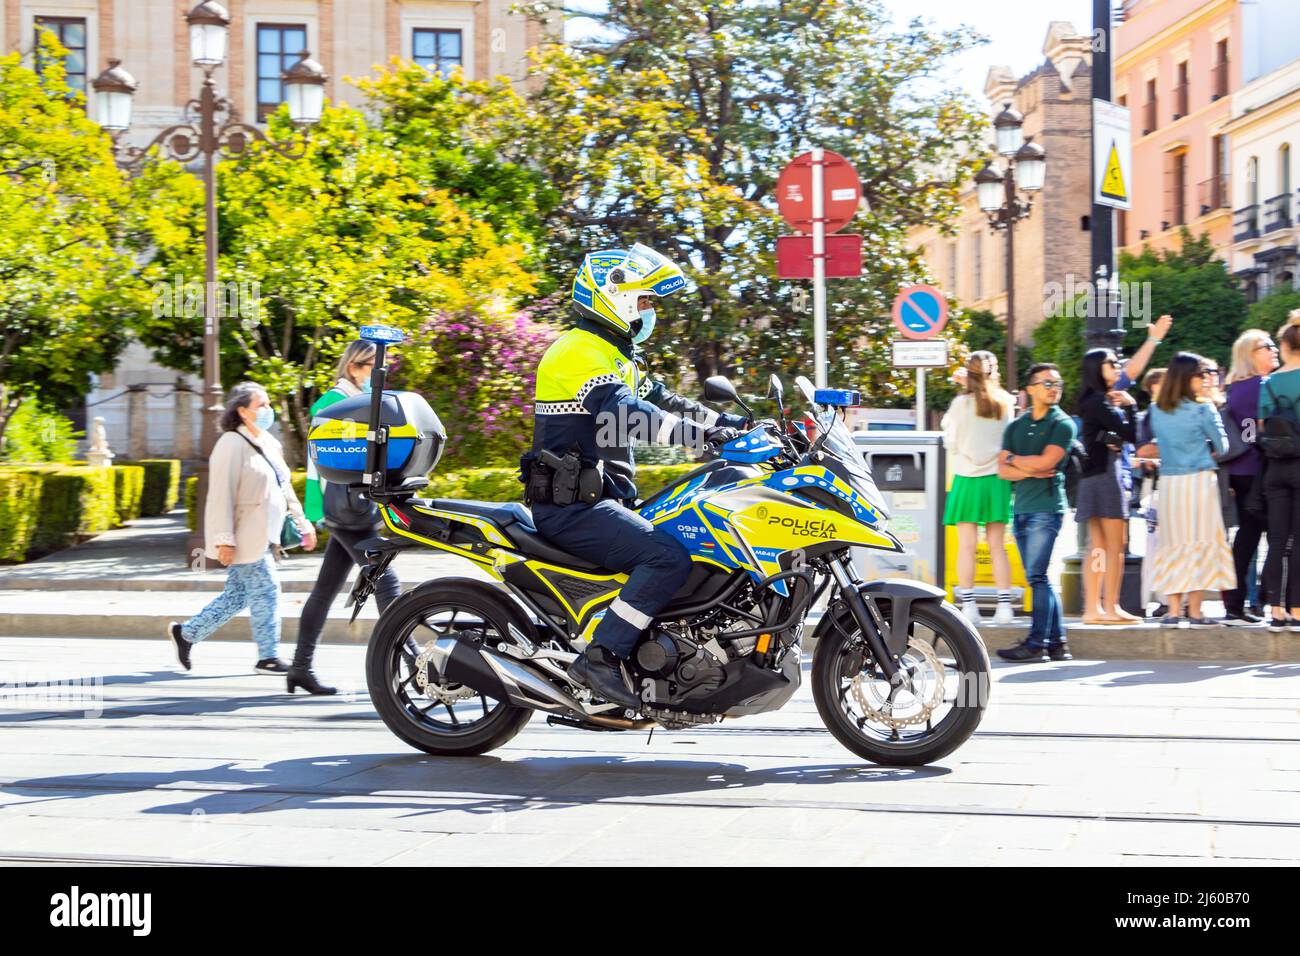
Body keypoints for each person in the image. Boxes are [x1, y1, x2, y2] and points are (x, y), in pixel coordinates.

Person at [522, 244, 748, 709]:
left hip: (605, 503)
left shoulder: (614, 353)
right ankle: (601, 657)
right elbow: (627, 413)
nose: (651, 311)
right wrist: (701, 439)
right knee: (667, 559)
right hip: (573, 510)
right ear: (614, 295)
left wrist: (735, 428)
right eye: (645, 300)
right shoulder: (577, 352)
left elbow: (667, 402)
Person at [168, 383, 316, 672]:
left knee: (237, 596)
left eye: (268, 404)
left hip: (268, 535)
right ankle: (268, 656)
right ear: (242, 411)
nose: (268, 410)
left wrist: (303, 523)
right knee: (268, 589)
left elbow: (284, 488)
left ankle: (186, 634)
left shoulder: (270, 443)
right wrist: (223, 541)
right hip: (246, 536)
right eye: (261, 405)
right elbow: (219, 495)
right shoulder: (230, 443)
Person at [293, 341, 402, 695]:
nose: (379, 372)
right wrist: (313, 511)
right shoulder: (332, 403)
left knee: (324, 590)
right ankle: (411, 661)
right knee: (385, 580)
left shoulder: (364, 401)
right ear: (354, 367)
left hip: (354, 509)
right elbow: (316, 465)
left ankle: (299, 669)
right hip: (345, 511)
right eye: (373, 365)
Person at [996, 363, 1077, 662]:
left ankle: (1036, 643)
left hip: (1047, 508)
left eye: (1057, 383)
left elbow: (1047, 464)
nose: (1054, 388)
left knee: (1038, 576)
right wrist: (1025, 464)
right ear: (1030, 389)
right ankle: (1057, 644)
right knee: (1040, 578)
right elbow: (1002, 472)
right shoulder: (1016, 426)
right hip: (1021, 510)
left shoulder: (1063, 423)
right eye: (1046, 383)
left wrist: (1016, 461)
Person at [1148, 353, 1234, 627]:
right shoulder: (1203, 408)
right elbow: (1224, 447)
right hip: (1199, 480)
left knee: (1174, 542)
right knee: (1201, 541)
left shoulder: (1156, 409)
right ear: (1189, 378)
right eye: (1202, 374)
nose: (1206, 379)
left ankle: (1173, 611)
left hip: (1170, 483)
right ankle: (1195, 612)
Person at [941, 351, 1015, 625]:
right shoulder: (1007, 402)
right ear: (994, 371)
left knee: (967, 546)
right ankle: (1004, 607)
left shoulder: (961, 404)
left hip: (967, 476)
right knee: (997, 546)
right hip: (996, 478)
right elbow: (1008, 438)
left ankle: (969, 604)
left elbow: (951, 439)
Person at [1075, 348, 1139, 624]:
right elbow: (1130, 434)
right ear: (1095, 369)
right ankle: (1108, 606)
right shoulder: (1100, 402)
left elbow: (1117, 435)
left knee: (1099, 545)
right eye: (1110, 363)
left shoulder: (1093, 401)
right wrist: (1131, 406)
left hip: (1095, 476)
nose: (1116, 367)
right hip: (1105, 476)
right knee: (1114, 545)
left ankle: (1095, 608)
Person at [1221, 329, 1278, 624]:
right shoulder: (1260, 386)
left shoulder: (1235, 387)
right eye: (1266, 346)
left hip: (1242, 471)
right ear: (1249, 354)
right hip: (1259, 469)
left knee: (1249, 536)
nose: (1274, 350)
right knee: (1274, 536)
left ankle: (1238, 602)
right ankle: (1260, 599)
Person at [1258, 312, 1300, 631]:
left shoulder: (1268, 383)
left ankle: (1275, 608)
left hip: (1274, 469)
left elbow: (1261, 429)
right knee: (1298, 542)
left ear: (1283, 346)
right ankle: (1298, 609)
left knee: (1275, 541)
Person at [1134, 368, 1166, 618]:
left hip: (1168, 481)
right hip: (1158, 486)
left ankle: (1172, 598)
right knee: (1158, 546)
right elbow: (1142, 450)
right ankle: (1163, 598)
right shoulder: (1150, 415)